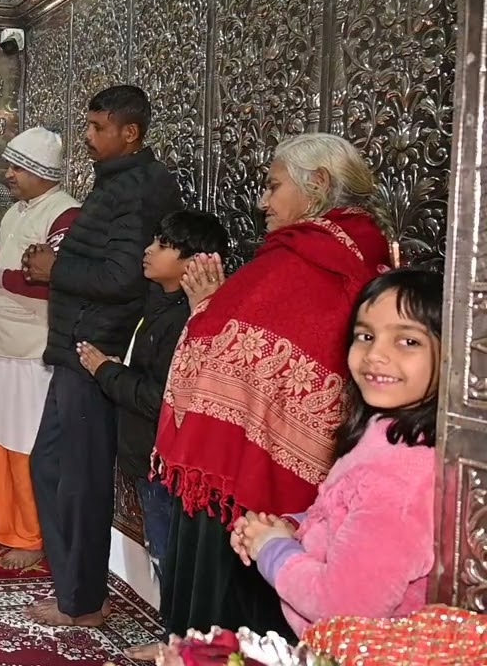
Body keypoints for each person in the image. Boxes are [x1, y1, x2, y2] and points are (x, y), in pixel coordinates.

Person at [152, 132, 392, 639]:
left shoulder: (299, 259)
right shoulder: (369, 251)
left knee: (234, 617)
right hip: (321, 469)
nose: (263, 200)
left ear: (318, 184)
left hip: (243, 479)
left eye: (273, 185)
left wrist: (205, 310)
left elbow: (226, 352)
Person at [20, 84, 182, 627]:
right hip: (77, 349)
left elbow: (121, 276)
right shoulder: (117, 182)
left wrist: (53, 269)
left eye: (96, 128)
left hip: (96, 351)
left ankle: (82, 601)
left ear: (129, 132)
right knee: (54, 466)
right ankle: (77, 590)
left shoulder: (138, 187)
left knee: (76, 475)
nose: (87, 138)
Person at [232, 268, 439, 636]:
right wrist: (291, 528)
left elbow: (343, 610)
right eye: (366, 335)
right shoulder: (390, 434)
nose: (375, 354)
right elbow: (348, 516)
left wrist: (272, 549)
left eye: (407, 341)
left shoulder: (403, 479)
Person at [75, 210, 229, 610]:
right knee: (163, 549)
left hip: (166, 460)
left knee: (170, 553)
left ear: (194, 261)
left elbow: (160, 395)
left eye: (162, 245)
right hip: (149, 455)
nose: (149, 250)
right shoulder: (161, 305)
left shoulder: (184, 319)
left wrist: (104, 371)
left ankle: (178, 640)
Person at [0, 126, 81, 570]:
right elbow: (12, 267)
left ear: (39, 171)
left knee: (28, 445)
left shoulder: (66, 215)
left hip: (33, 348)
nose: (8, 174)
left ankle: (33, 536)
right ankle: (5, 527)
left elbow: (54, 281)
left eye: (16, 167)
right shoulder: (16, 212)